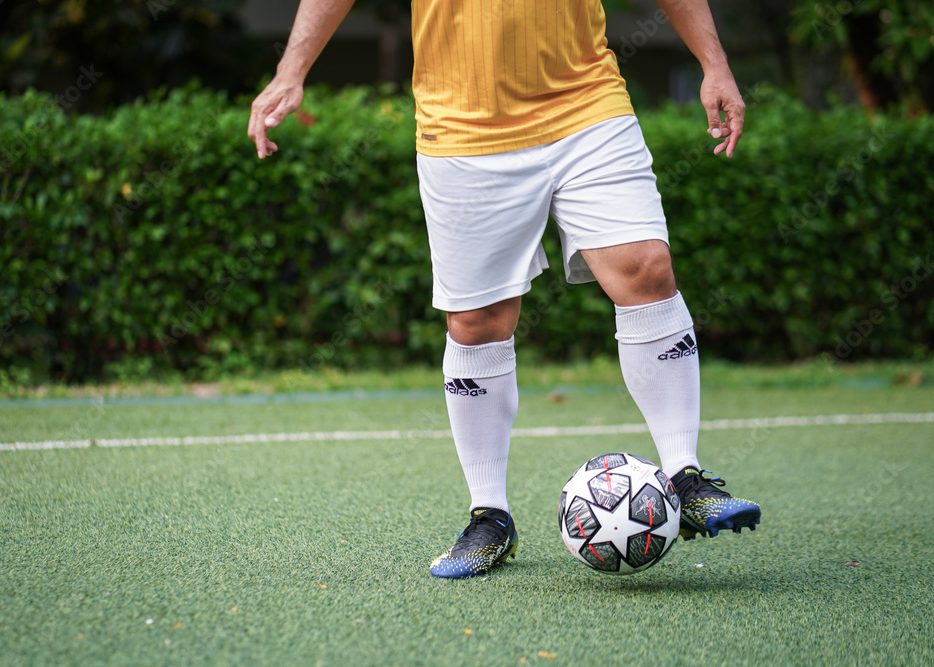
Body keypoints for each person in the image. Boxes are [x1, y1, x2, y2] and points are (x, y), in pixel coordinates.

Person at [248, 0, 762, 579]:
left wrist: (713, 63)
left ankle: (685, 479)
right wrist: (291, 71)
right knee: (479, 322)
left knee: (646, 268)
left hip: (586, 102)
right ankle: (490, 517)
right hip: (461, 126)